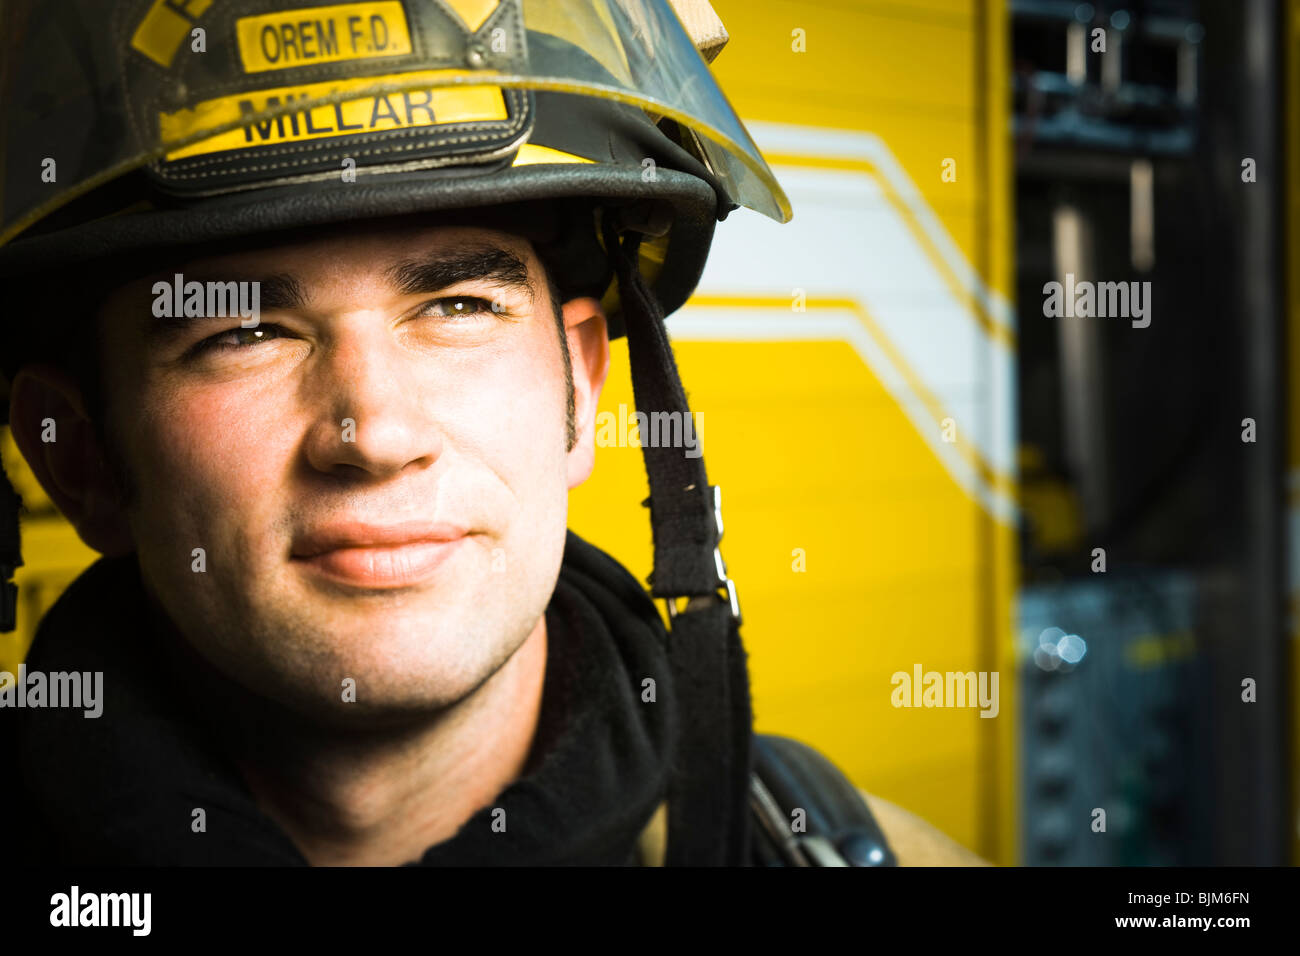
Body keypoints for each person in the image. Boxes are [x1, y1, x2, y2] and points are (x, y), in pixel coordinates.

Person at [0, 0, 986, 867]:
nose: (377, 433)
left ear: (581, 389)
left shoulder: (842, 852)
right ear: (78, 458)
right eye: (246, 331)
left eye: (457, 307)